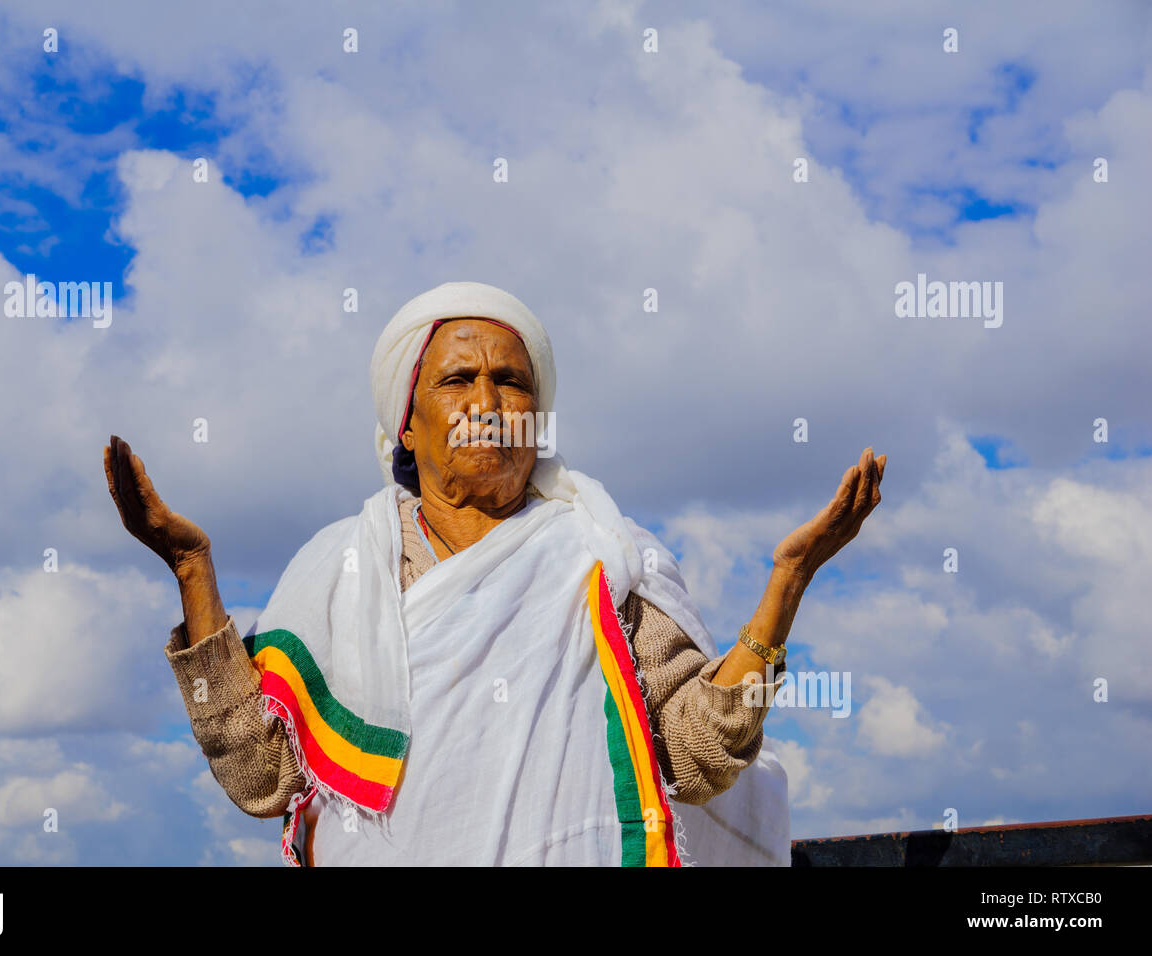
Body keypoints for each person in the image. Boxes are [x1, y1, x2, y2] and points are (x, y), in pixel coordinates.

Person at [104, 281, 885, 866]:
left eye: (511, 381)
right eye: (458, 380)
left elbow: (691, 759)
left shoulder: (605, 557)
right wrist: (191, 569)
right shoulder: (343, 568)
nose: (487, 400)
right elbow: (258, 777)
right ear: (406, 423)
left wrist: (786, 585)